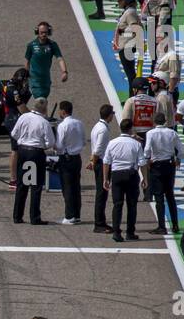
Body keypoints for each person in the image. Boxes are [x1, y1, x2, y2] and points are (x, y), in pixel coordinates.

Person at [10, 96, 55, 224]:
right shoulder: (44, 122)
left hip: (23, 151)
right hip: (35, 153)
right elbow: (50, 142)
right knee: (35, 186)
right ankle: (34, 217)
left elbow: (14, 134)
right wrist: (42, 146)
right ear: (45, 109)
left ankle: (17, 216)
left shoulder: (23, 117)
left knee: (22, 185)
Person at [103, 117, 147, 242]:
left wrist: (106, 178)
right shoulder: (136, 144)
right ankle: (130, 232)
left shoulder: (112, 143)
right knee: (132, 205)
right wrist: (145, 178)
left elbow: (106, 162)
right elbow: (142, 162)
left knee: (117, 204)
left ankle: (116, 232)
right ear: (130, 129)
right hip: (131, 174)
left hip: (116, 175)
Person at [143, 111, 183, 234]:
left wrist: (147, 158)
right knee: (170, 195)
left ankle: (162, 226)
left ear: (154, 122)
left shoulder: (150, 133)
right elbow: (182, 149)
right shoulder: (172, 133)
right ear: (165, 121)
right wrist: (178, 159)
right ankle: (175, 224)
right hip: (169, 165)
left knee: (159, 197)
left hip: (157, 166)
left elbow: (147, 149)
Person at [54, 100, 84, 224]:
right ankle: (76, 215)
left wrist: (54, 147)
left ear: (63, 111)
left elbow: (59, 145)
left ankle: (69, 216)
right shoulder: (79, 123)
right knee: (76, 187)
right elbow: (83, 141)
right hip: (77, 158)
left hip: (66, 158)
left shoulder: (63, 125)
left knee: (67, 188)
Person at [88, 103, 115, 232]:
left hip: (98, 161)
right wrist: (94, 161)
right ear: (109, 115)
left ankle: (101, 222)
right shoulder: (103, 129)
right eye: (113, 114)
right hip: (101, 163)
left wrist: (92, 160)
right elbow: (98, 149)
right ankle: (99, 223)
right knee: (102, 193)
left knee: (102, 193)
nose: (113, 116)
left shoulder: (98, 126)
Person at [24, 22, 67, 101]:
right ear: (37, 32)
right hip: (35, 80)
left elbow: (60, 58)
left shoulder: (53, 45)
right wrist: (25, 78)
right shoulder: (31, 45)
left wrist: (64, 72)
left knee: (43, 102)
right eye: (41, 32)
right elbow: (27, 62)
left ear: (49, 32)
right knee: (40, 101)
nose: (43, 34)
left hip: (46, 80)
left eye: (45, 32)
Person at [111, 0, 142, 84]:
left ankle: (133, 97)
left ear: (127, 0)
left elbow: (135, 30)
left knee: (131, 76)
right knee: (130, 75)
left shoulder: (130, 12)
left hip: (127, 47)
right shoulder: (128, 11)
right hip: (125, 47)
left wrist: (122, 32)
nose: (118, 1)